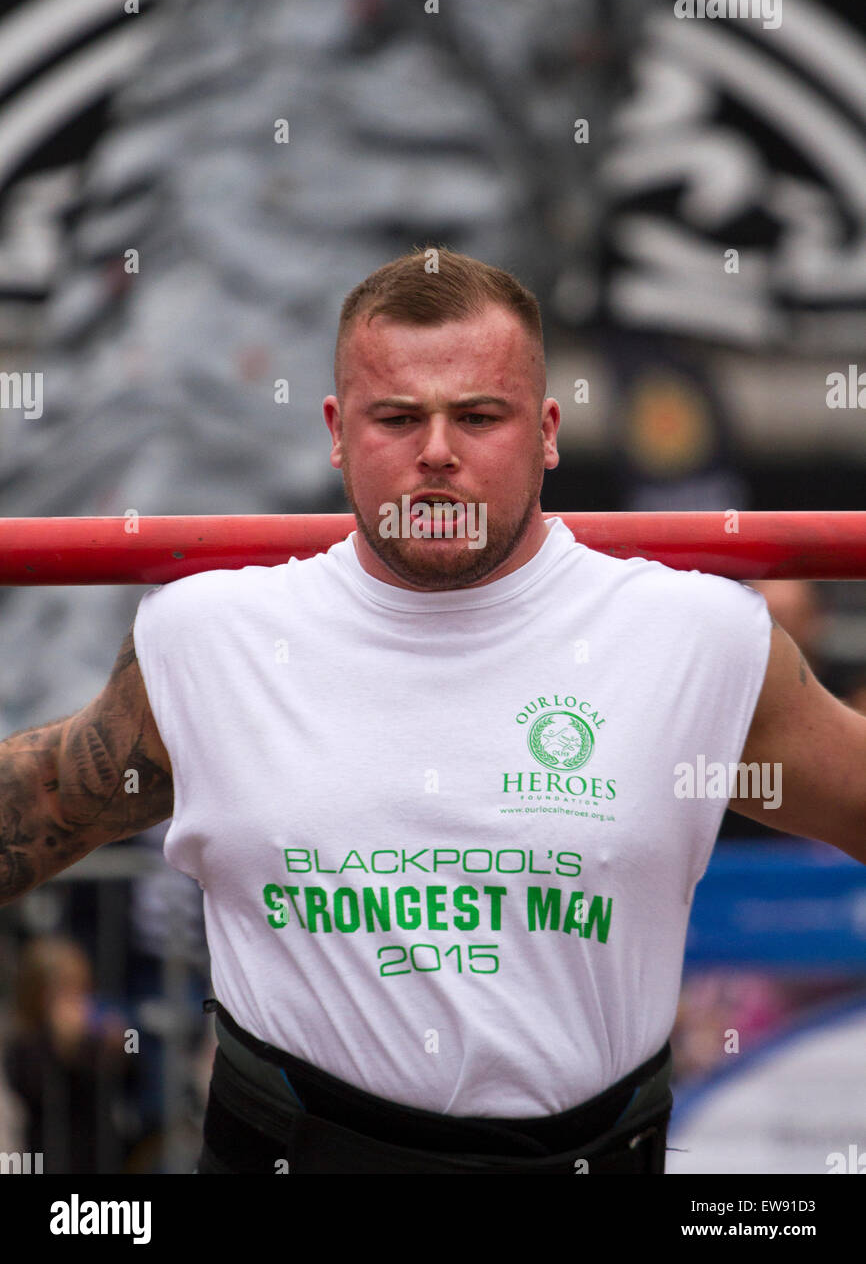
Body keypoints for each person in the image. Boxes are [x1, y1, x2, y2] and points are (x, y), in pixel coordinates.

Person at [1, 248, 864, 1175]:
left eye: (480, 416)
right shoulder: (215, 636)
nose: (438, 450)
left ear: (546, 431)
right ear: (338, 432)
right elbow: (44, 802)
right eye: (399, 418)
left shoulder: (695, 637)